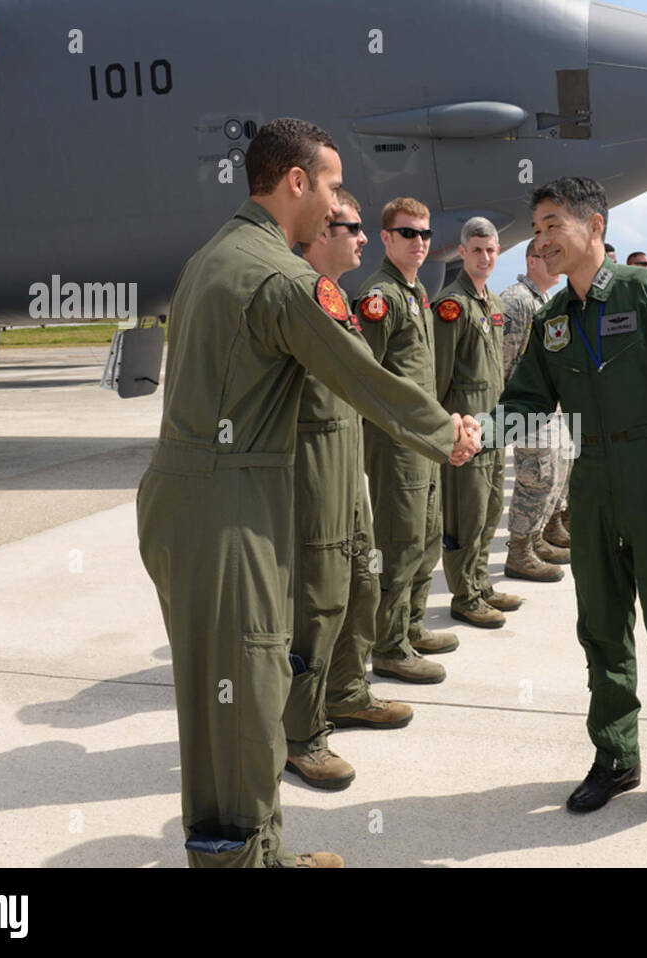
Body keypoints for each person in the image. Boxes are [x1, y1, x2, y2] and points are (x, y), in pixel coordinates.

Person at [136, 118, 481, 867]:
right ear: (296, 181)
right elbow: (361, 375)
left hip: (182, 497)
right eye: (330, 186)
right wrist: (444, 432)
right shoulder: (284, 279)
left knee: (219, 696)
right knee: (248, 696)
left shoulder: (210, 257)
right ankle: (247, 861)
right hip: (229, 510)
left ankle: (244, 852)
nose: (334, 205)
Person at [495, 176, 647, 834]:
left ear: (594, 226)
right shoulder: (554, 319)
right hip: (591, 486)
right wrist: (477, 432)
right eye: (537, 228)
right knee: (601, 627)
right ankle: (616, 756)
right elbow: (528, 400)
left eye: (553, 225)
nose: (542, 240)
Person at [280, 190, 416, 793]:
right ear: (319, 231)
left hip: (347, 470)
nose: (363, 238)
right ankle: (300, 736)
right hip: (312, 475)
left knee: (362, 582)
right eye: (352, 227)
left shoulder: (335, 302)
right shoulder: (298, 300)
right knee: (316, 605)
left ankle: (346, 692)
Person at [353, 198, 460, 683]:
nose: (420, 242)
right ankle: (390, 647)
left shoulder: (415, 292)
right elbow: (366, 377)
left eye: (425, 234)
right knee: (399, 542)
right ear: (386, 238)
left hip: (422, 440)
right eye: (408, 233)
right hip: (396, 444)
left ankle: (411, 626)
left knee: (426, 536)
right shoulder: (380, 297)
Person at [433, 218, 524, 628]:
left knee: (489, 511)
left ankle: (480, 584)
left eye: (490, 250)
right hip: (466, 431)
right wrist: (447, 431)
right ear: (462, 252)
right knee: (465, 515)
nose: (484, 257)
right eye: (476, 250)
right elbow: (438, 376)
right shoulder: (451, 305)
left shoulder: (494, 304)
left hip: (492, 426)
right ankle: (464, 596)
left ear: (498, 252)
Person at [500, 239, 572, 583]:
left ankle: (541, 535)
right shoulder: (516, 301)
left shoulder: (543, 299)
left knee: (555, 474)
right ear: (531, 261)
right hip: (526, 406)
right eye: (547, 256)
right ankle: (519, 552)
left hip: (547, 406)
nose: (556, 263)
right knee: (535, 478)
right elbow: (504, 359)